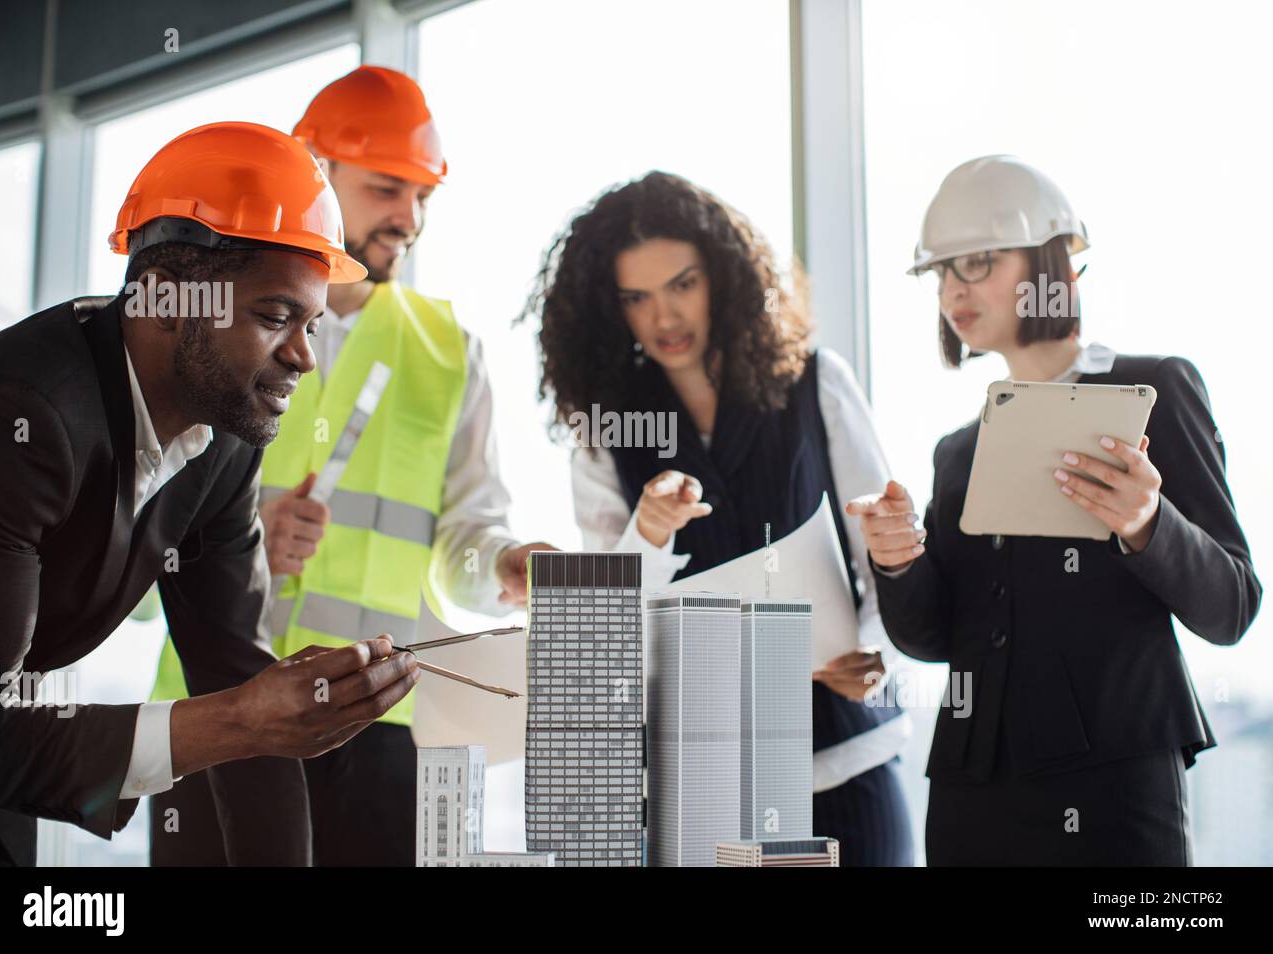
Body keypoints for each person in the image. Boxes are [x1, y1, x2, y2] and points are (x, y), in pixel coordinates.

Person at [0, 121, 420, 867]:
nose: (304, 357)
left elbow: (238, 675)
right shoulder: (16, 419)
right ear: (162, 298)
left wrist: (255, 717)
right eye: (275, 317)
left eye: (310, 323)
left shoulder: (226, 444)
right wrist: (237, 721)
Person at [149, 67, 552, 866]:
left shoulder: (449, 353)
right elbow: (128, 538)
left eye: (422, 199)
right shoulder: (213, 331)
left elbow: (465, 536)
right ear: (315, 170)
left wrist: (501, 561)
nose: (408, 219)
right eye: (386, 190)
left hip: (377, 723)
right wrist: (245, 534)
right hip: (217, 709)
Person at [847, 154, 1262, 865]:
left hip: (1112, 780)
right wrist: (898, 559)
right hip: (973, 787)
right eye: (942, 271)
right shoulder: (959, 450)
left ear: (1048, 264)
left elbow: (1231, 607)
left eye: (977, 262)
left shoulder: (1153, 388)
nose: (954, 288)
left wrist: (1147, 524)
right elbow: (935, 638)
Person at [525, 171, 915, 866]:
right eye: (636, 298)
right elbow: (604, 622)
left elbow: (878, 554)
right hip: (701, 780)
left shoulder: (817, 382)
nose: (664, 319)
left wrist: (874, 655)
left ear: (723, 278)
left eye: (683, 285)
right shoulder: (604, 428)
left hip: (845, 761)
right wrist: (648, 532)